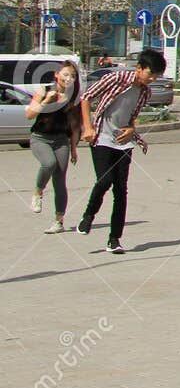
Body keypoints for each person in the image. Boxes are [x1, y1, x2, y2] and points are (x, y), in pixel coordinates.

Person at [77, 48, 165, 254]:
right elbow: (86, 97)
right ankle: (88, 216)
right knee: (104, 181)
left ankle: (114, 239)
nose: (152, 79)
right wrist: (88, 128)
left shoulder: (145, 92)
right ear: (139, 68)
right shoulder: (116, 78)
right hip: (102, 136)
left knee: (121, 190)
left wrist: (132, 129)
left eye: (156, 76)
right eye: (150, 73)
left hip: (123, 141)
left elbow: (132, 117)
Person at [26, 60, 90, 233]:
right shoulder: (44, 90)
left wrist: (74, 148)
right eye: (66, 74)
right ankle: (38, 193)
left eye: (73, 76)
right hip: (40, 138)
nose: (69, 78)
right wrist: (47, 101)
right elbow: (29, 115)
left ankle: (58, 222)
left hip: (61, 141)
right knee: (49, 163)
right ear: (56, 75)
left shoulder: (73, 98)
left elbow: (74, 126)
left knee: (60, 181)